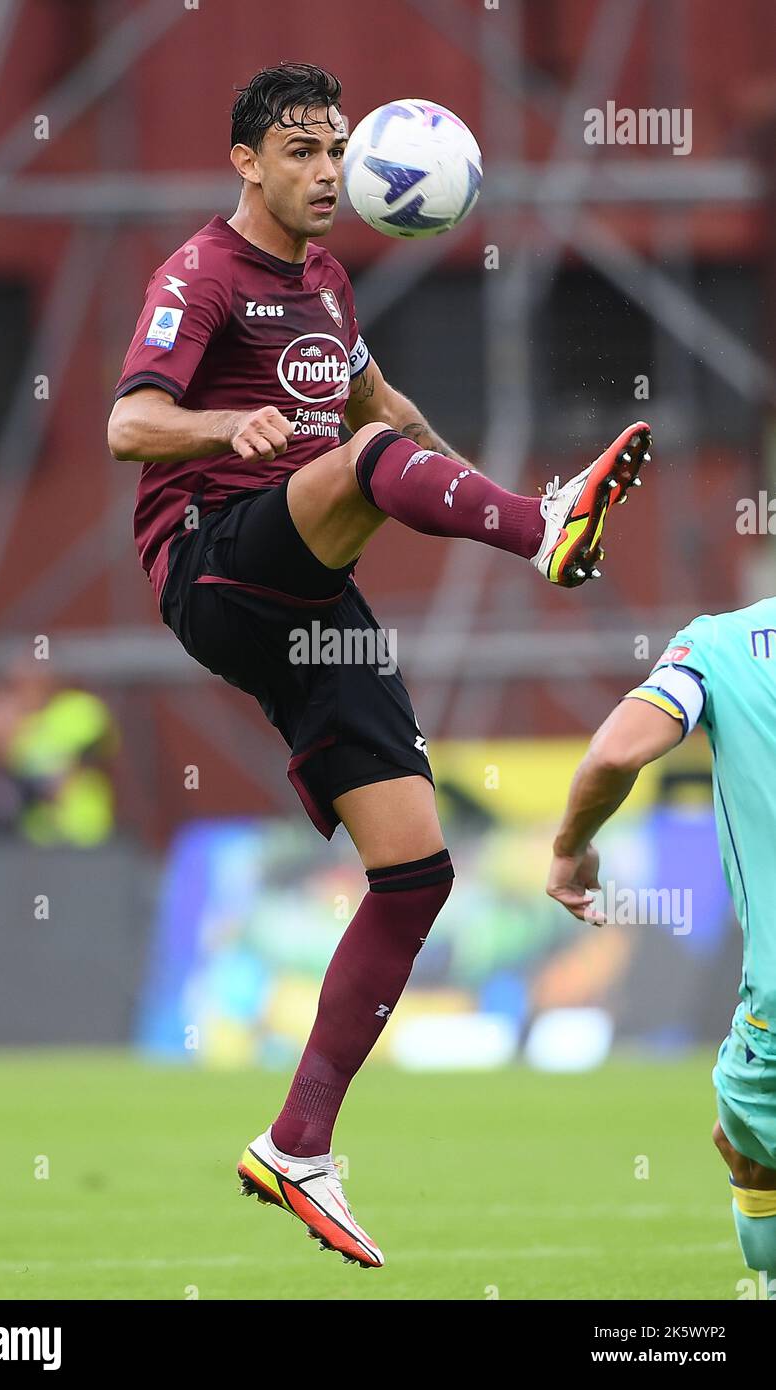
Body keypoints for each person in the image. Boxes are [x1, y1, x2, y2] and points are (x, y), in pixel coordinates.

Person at [108, 62, 652, 1269]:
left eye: (334, 148)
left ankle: (297, 1142)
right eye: (301, 151)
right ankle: (543, 521)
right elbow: (126, 423)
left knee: (414, 873)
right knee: (357, 467)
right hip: (211, 561)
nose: (325, 171)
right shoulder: (198, 275)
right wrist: (219, 428)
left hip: (307, 598)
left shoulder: (331, 283)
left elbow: (383, 416)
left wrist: (496, 500)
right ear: (245, 160)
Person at [548, 596, 776, 1299]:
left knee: (746, 1143)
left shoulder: (723, 645)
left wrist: (570, 849)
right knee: (738, 1138)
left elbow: (617, 750)